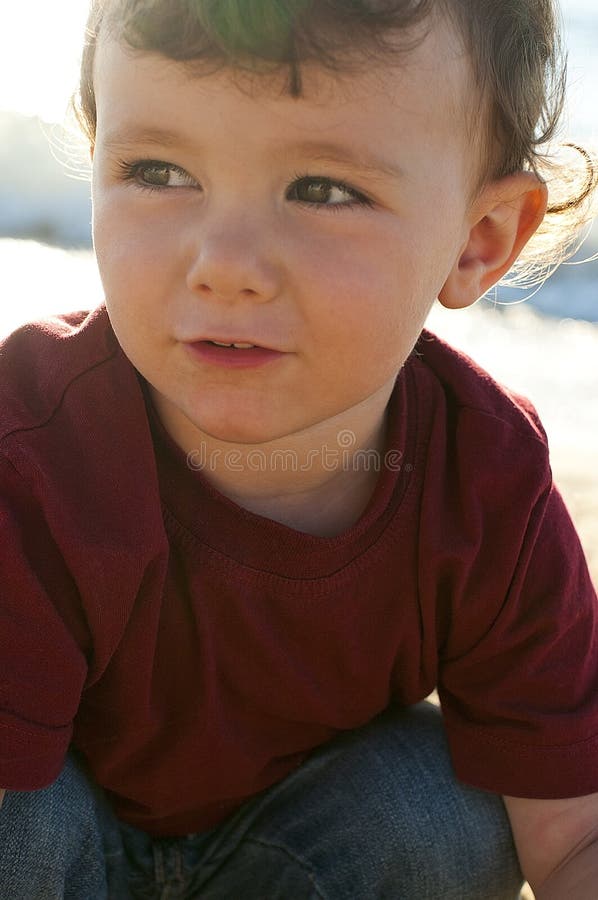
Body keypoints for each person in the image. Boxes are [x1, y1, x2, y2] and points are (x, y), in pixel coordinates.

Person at [0, 0, 597, 897]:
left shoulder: (485, 485)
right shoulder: (36, 444)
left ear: (478, 242)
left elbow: (574, 833)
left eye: (322, 189)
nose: (224, 261)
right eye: (157, 170)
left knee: (458, 808)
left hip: (299, 858)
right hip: (57, 849)